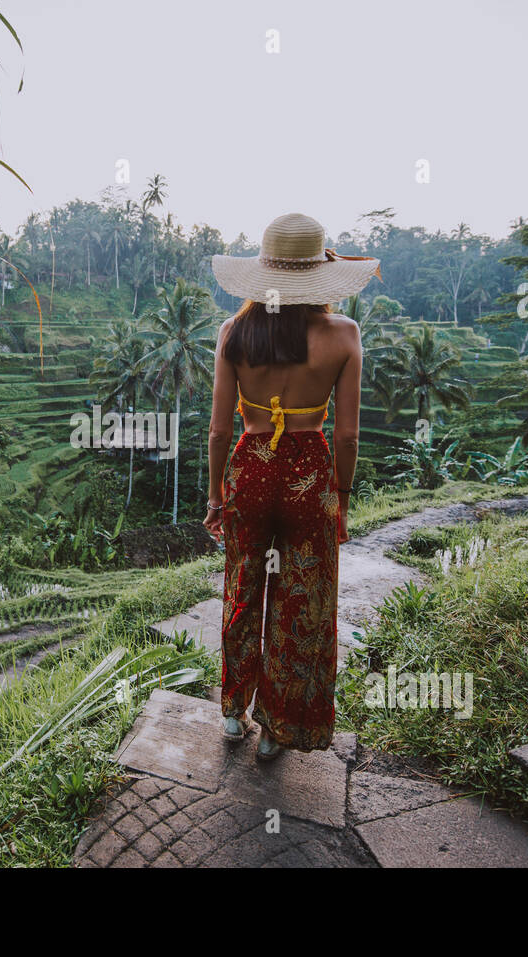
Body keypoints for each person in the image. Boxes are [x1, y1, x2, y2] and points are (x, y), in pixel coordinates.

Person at [203, 212, 378, 760]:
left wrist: (215, 497)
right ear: (319, 278)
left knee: (243, 589)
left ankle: (234, 713)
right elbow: (347, 436)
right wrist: (341, 499)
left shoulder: (235, 333)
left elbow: (217, 430)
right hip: (310, 474)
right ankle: (278, 727)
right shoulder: (343, 335)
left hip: (250, 467)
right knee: (299, 599)